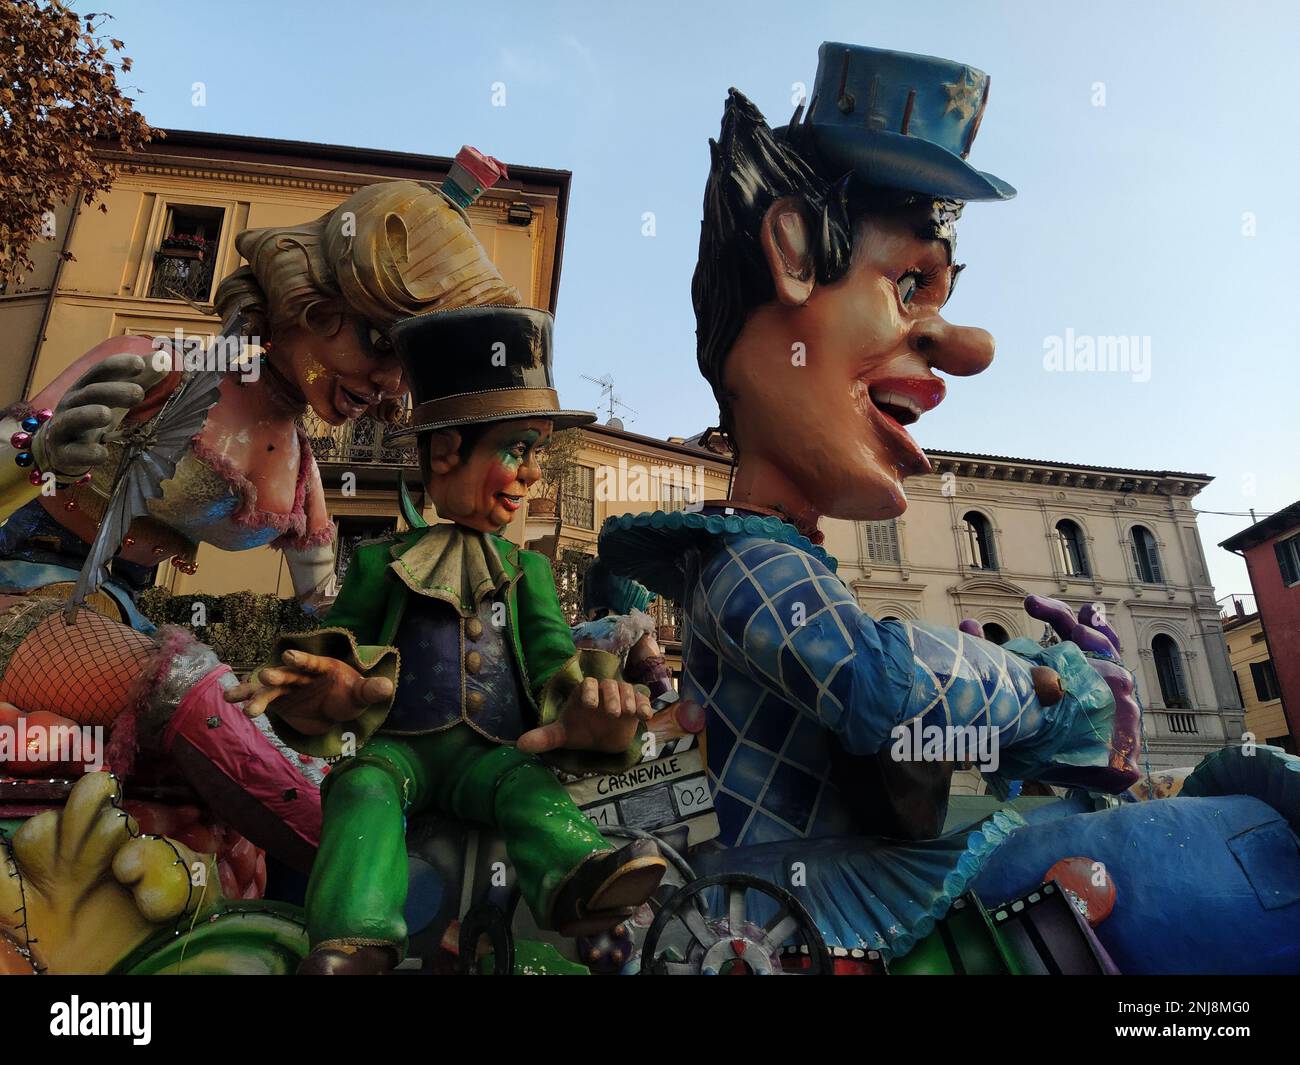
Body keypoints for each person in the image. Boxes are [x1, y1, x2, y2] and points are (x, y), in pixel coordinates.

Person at [233, 305, 667, 975]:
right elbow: (340, 641)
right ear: (446, 452)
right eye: (518, 450)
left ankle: (578, 877)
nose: (530, 474)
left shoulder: (530, 573)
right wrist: (331, 682)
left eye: (537, 454)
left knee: (528, 788)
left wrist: (582, 705)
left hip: (492, 756)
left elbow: (552, 656)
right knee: (361, 790)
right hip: (395, 750)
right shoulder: (381, 562)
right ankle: (352, 936)